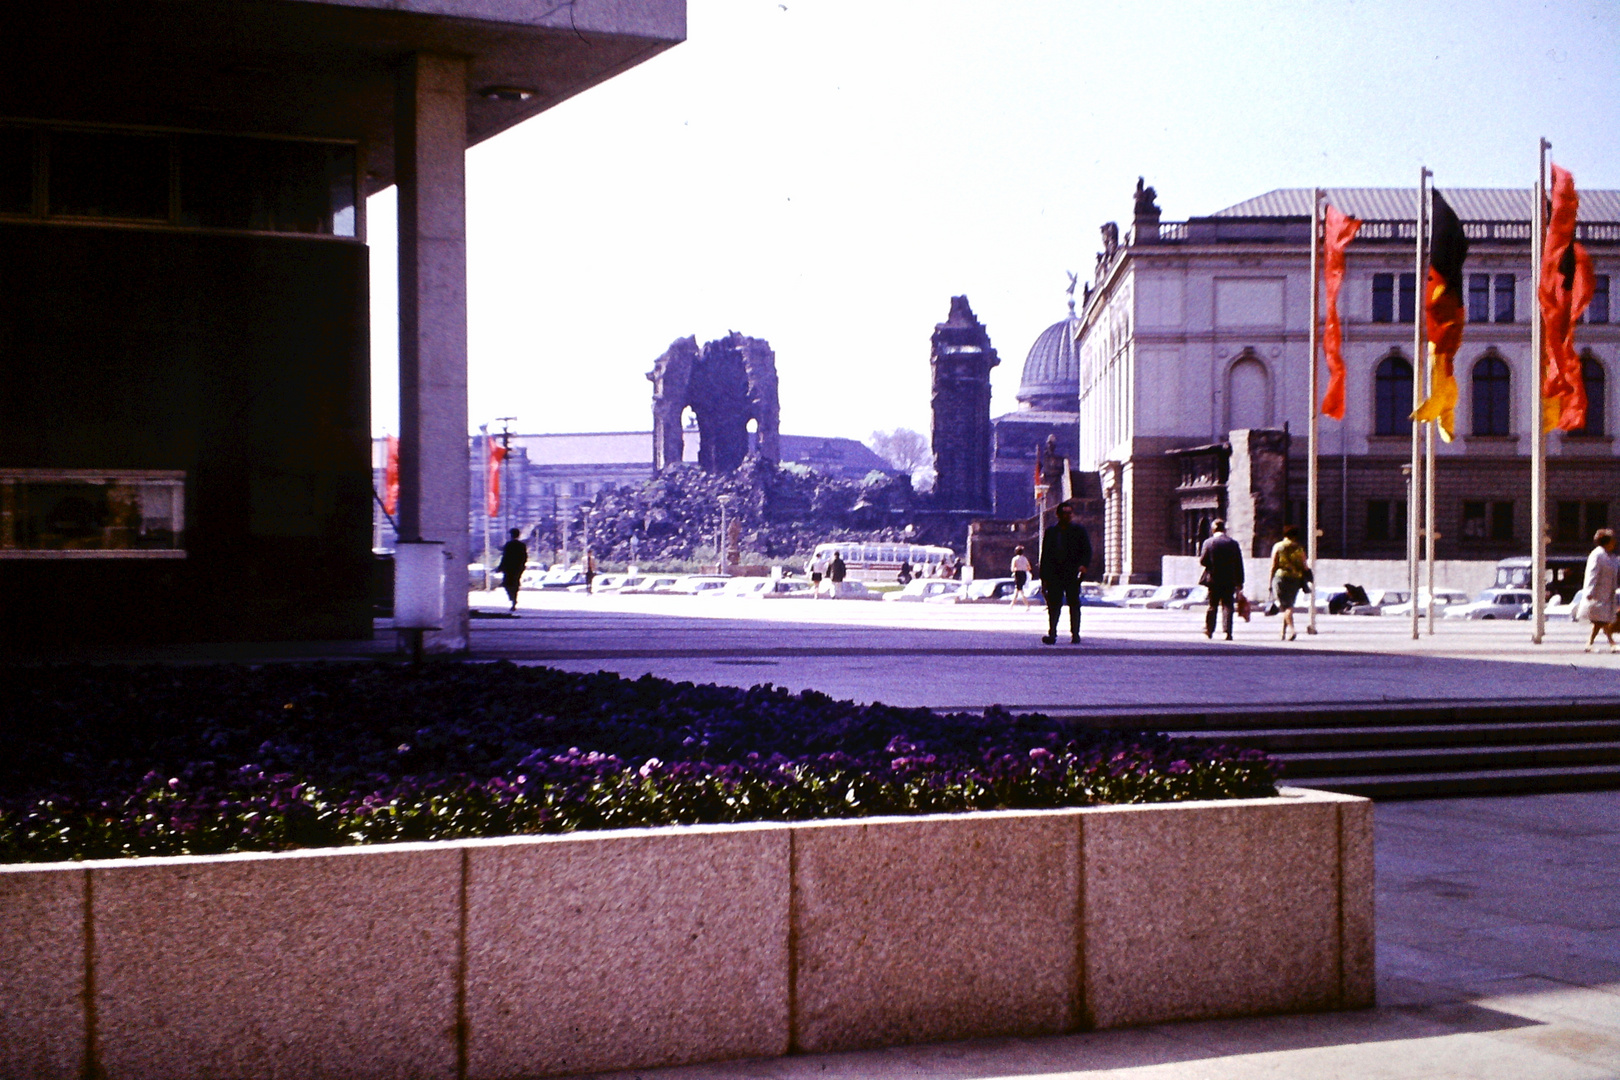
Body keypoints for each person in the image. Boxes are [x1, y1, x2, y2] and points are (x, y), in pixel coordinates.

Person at [1038, 502, 1092, 645]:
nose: (1067, 516)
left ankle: (1075, 634)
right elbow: (1045, 555)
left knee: (1074, 604)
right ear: (1058, 515)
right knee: (1054, 606)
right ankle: (1052, 633)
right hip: (1054, 574)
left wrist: (1084, 566)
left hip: (1072, 573)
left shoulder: (1079, 531)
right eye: (1064, 513)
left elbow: (1087, 550)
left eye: (1069, 513)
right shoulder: (1051, 532)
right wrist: (1043, 578)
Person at [1198, 518, 1244, 640]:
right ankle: (1227, 632)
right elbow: (1239, 564)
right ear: (1224, 529)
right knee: (1228, 606)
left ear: (1213, 529)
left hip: (1213, 580)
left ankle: (1209, 630)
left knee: (1212, 605)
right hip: (1229, 580)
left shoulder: (1208, 542)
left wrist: (1212, 565)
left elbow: (1203, 561)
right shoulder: (1233, 543)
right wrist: (1240, 582)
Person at [1577, 528, 1620, 652]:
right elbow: (1592, 573)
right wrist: (1589, 591)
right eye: (1612, 540)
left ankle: (1590, 643)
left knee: (1601, 620)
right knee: (1602, 620)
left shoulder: (1611, 556)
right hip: (1598, 593)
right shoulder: (1597, 555)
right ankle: (1611, 643)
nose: (1615, 543)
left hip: (1607, 593)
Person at [1268, 524, 1308, 641]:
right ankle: (1283, 632)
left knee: (1286, 606)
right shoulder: (1299, 548)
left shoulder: (1278, 546)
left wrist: (1270, 582)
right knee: (1288, 605)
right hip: (1295, 578)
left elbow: (1274, 565)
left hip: (1281, 577)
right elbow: (1304, 565)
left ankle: (1292, 629)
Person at [497, 527, 527, 613]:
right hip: (517, 568)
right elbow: (524, 557)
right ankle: (514, 598)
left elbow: (505, 557)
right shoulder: (522, 545)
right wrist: (522, 566)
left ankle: (512, 598)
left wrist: (500, 567)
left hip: (509, 567)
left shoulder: (509, 545)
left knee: (507, 583)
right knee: (515, 583)